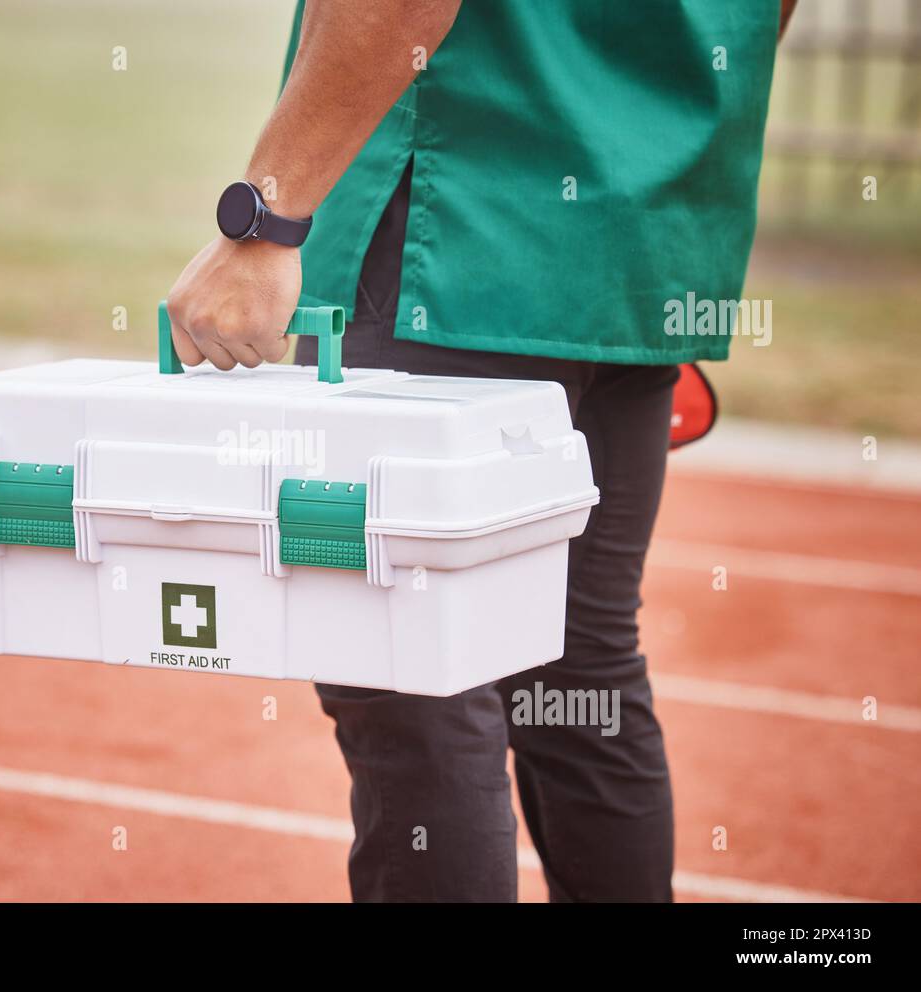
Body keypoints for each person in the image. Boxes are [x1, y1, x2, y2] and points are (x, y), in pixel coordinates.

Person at [166, 0, 798, 902]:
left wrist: (264, 218)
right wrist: (643, 131)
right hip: (641, 242)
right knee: (583, 676)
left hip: (459, 230)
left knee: (414, 678)